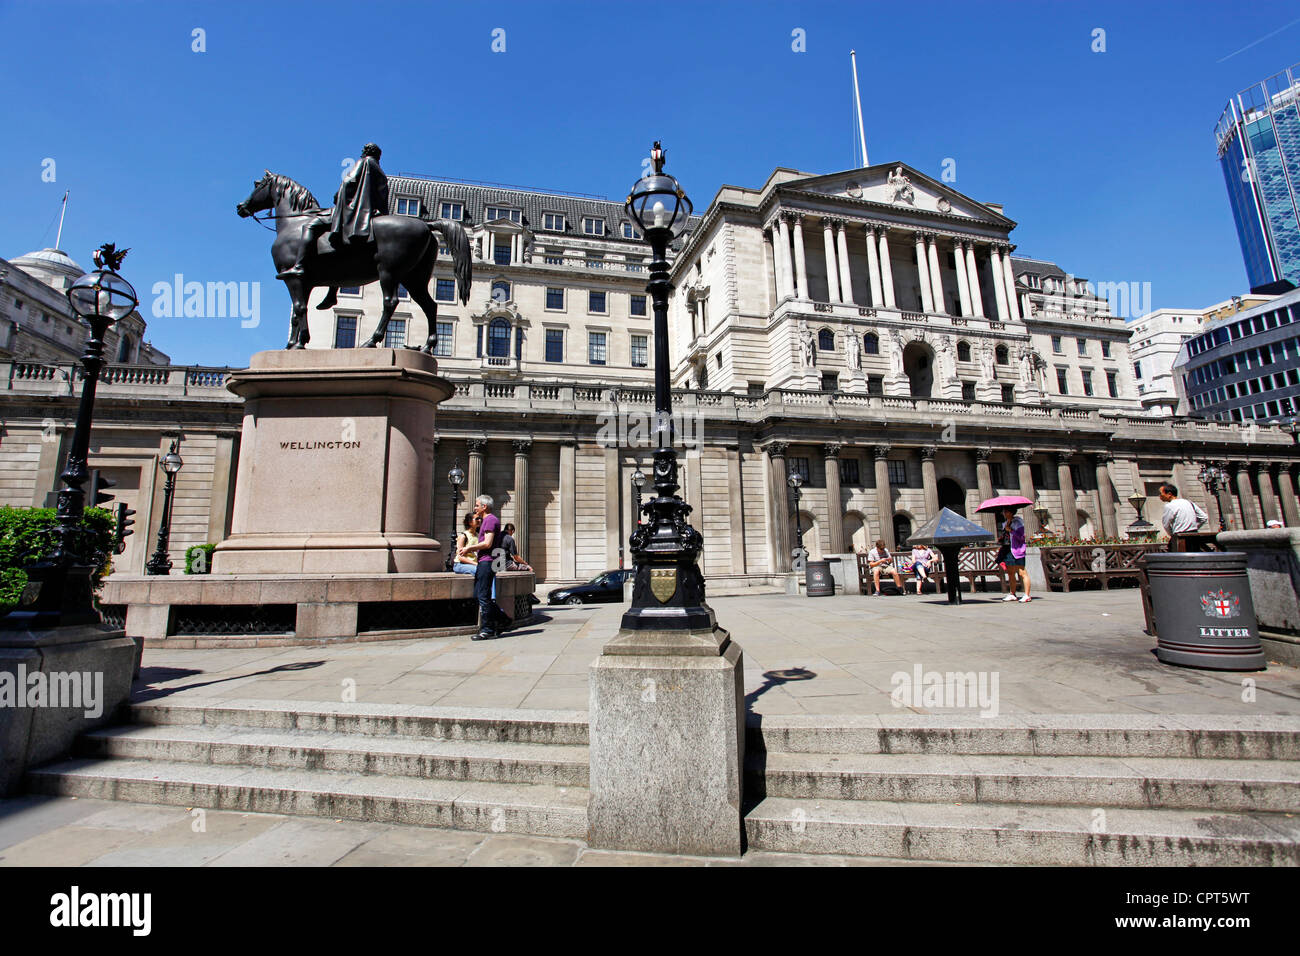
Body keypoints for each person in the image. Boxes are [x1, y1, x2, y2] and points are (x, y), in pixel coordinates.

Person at [462, 495, 512, 640]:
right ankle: (503, 619)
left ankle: (487, 629)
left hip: (488, 561)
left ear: (484, 506)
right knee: (480, 594)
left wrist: (469, 548)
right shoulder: (486, 520)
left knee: (483, 596)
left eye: (477, 505)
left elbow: (488, 543)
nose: (475, 508)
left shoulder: (490, 520)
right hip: (484, 561)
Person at [999, 507, 1031, 603]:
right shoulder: (1005, 523)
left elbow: (1021, 537)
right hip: (1008, 550)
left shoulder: (1018, 522)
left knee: (1022, 572)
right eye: (1003, 511)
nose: (1004, 513)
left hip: (1017, 550)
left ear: (1011, 512)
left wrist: (1011, 530)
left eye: (1006, 511)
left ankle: (1027, 595)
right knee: (1010, 573)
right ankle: (1012, 593)